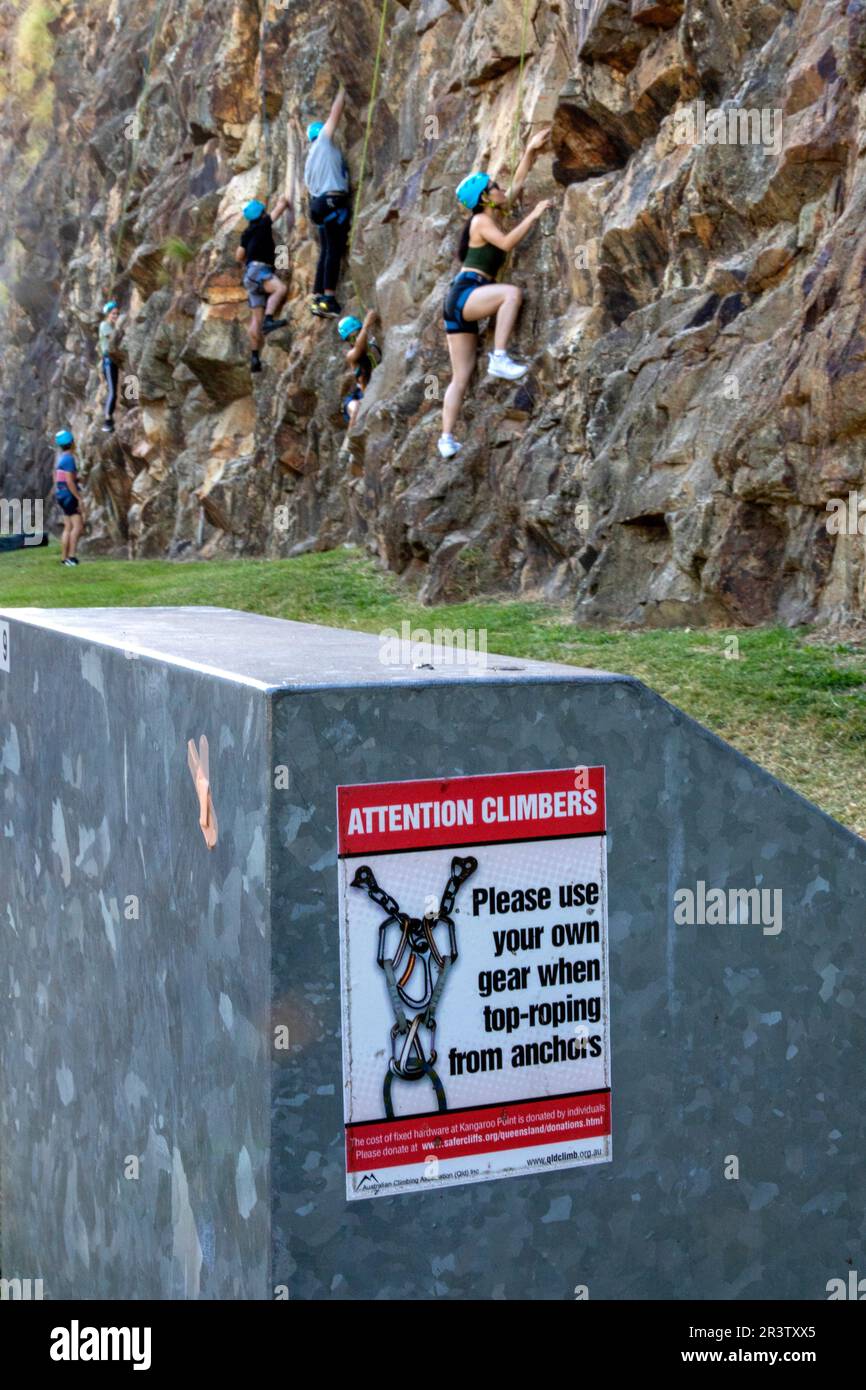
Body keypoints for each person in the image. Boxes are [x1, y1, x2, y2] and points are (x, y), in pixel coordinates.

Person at [438, 129, 553, 460]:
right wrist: (534, 215)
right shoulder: (479, 222)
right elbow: (505, 243)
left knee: (461, 376)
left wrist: (530, 150)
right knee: (511, 294)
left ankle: (446, 439)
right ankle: (499, 358)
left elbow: (516, 185)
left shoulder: (489, 213)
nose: (501, 189)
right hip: (466, 293)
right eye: (494, 187)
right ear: (485, 199)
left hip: (459, 299)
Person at [304, 86, 351, 319]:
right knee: (333, 250)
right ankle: (329, 299)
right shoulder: (323, 141)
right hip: (332, 201)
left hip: (318, 205)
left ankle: (318, 296)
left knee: (325, 252)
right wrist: (342, 89)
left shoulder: (309, 161)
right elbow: (335, 113)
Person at [235, 195, 292, 374]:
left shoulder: (247, 232)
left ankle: (254, 358)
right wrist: (284, 200)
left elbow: (238, 256)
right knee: (280, 288)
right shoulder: (263, 223)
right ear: (261, 213)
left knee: (255, 319)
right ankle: (269, 320)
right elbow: (278, 210)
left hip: (250, 275)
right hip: (260, 270)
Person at [338, 310, 381, 428]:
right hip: (359, 396)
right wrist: (366, 325)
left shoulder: (373, 345)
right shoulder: (351, 355)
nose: (356, 339)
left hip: (375, 389)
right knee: (356, 408)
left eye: (357, 334)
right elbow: (359, 349)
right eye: (351, 338)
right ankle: (350, 438)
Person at [54, 429, 85, 566]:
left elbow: (61, 479)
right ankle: (71, 557)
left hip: (61, 495)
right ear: (72, 443)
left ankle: (64, 558)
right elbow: (69, 481)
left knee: (68, 527)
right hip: (69, 496)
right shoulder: (69, 459)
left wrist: (77, 479)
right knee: (77, 527)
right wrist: (78, 498)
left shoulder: (62, 459)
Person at [99, 300, 121, 433]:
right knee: (112, 391)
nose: (115, 316)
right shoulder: (104, 325)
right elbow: (113, 338)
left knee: (114, 392)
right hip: (108, 361)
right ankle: (107, 420)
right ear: (108, 314)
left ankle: (110, 421)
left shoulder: (111, 326)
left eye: (117, 314)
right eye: (113, 313)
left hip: (113, 360)